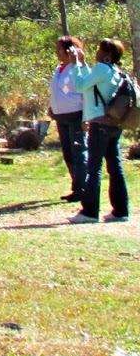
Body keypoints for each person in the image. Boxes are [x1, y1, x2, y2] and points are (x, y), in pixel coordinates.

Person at [68, 38, 131, 224]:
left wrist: (74, 65)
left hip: (99, 124)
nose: (96, 53)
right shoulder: (114, 71)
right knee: (115, 168)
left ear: (108, 54)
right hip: (114, 125)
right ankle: (120, 211)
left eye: (100, 50)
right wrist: (81, 64)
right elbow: (91, 84)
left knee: (93, 167)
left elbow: (80, 85)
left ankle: (89, 211)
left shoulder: (101, 68)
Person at [49, 36, 87, 203]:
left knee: (79, 152)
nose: (57, 52)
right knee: (68, 153)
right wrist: (52, 107)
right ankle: (76, 187)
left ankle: (82, 189)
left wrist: (87, 118)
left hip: (76, 115)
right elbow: (57, 90)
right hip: (61, 116)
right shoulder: (59, 69)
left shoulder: (78, 68)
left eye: (60, 49)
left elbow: (86, 93)